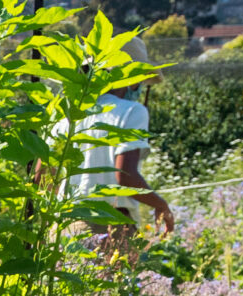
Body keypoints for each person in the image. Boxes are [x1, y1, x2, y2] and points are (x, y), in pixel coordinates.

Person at [61, 48, 174, 233]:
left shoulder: (66, 113)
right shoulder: (132, 111)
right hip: (108, 227)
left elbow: (43, 176)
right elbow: (125, 176)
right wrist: (160, 204)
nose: (140, 87)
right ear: (127, 77)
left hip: (62, 228)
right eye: (139, 80)